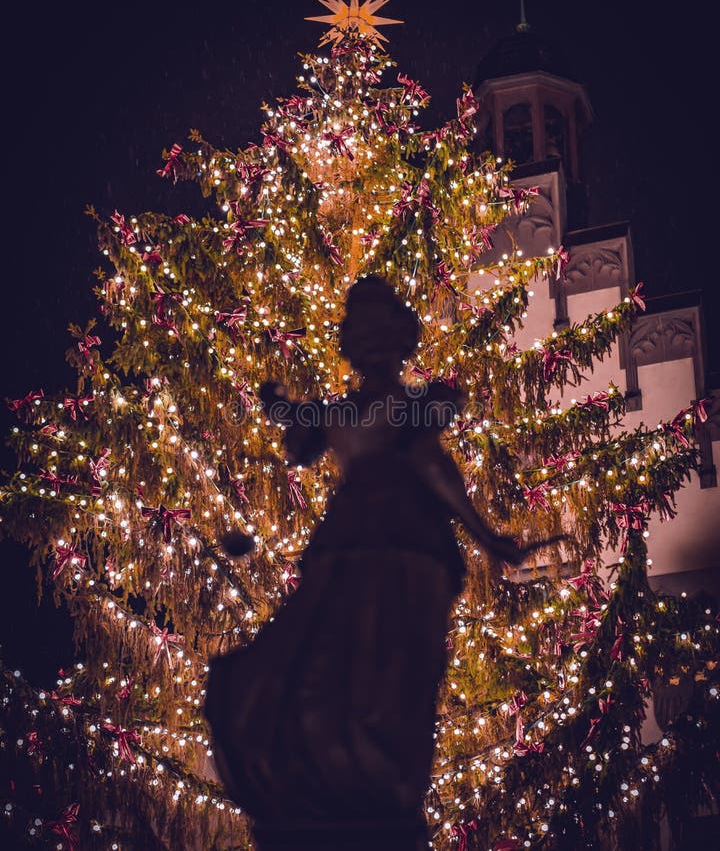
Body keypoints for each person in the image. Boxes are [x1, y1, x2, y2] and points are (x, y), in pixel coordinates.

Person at [205, 276, 541, 851]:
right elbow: (428, 467)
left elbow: (312, 437)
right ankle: (366, 768)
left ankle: (346, 762)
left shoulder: (361, 411)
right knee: (384, 662)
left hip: (367, 542)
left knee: (353, 653)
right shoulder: (395, 407)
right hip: (394, 544)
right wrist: (486, 537)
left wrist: (280, 402)